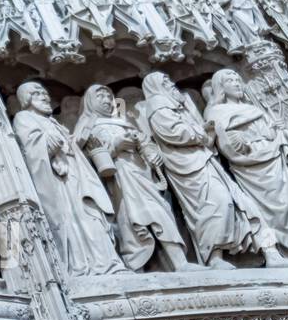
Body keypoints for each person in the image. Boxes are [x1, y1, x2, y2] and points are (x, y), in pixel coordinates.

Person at [139, 72, 288, 269]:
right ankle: (214, 258)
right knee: (215, 206)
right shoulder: (158, 105)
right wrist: (203, 131)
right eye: (165, 81)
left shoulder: (177, 104)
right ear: (154, 86)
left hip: (205, 160)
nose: (171, 83)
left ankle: (271, 253)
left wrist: (205, 133)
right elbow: (174, 133)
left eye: (169, 79)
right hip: (189, 168)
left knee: (241, 203)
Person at [74, 84, 201, 272]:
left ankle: (180, 262)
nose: (107, 100)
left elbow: (144, 141)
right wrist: (116, 145)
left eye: (109, 96)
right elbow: (82, 160)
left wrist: (150, 152)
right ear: (90, 101)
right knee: (129, 220)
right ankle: (136, 268)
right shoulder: (87, 127)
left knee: (161, 210)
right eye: (100, 96)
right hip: (118, 179)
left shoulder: (123, 122)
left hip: (142, 173)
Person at [204, 69, 288, 266]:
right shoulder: (216, 113)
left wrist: (275, 131)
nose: (237, 83)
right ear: (220, 87)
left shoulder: (254, 108)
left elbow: (268, 132)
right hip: (253, 170)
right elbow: (224, 147)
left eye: (238, 79)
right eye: (230, 80)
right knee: (276, 216)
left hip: (279, 161)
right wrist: (240, 143)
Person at [13, 82, 125, 276]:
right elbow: (30, 150)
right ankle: (80, 267)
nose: (45, 97)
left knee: (92, 215)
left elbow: (70, 145)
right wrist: (46, 144)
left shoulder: (53, 121)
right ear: (27, 99)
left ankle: (109, 263)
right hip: (58, 180)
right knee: (72, 219)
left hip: (77, 173)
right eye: (38, 93)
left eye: (45, 93)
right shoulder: (24, 118)